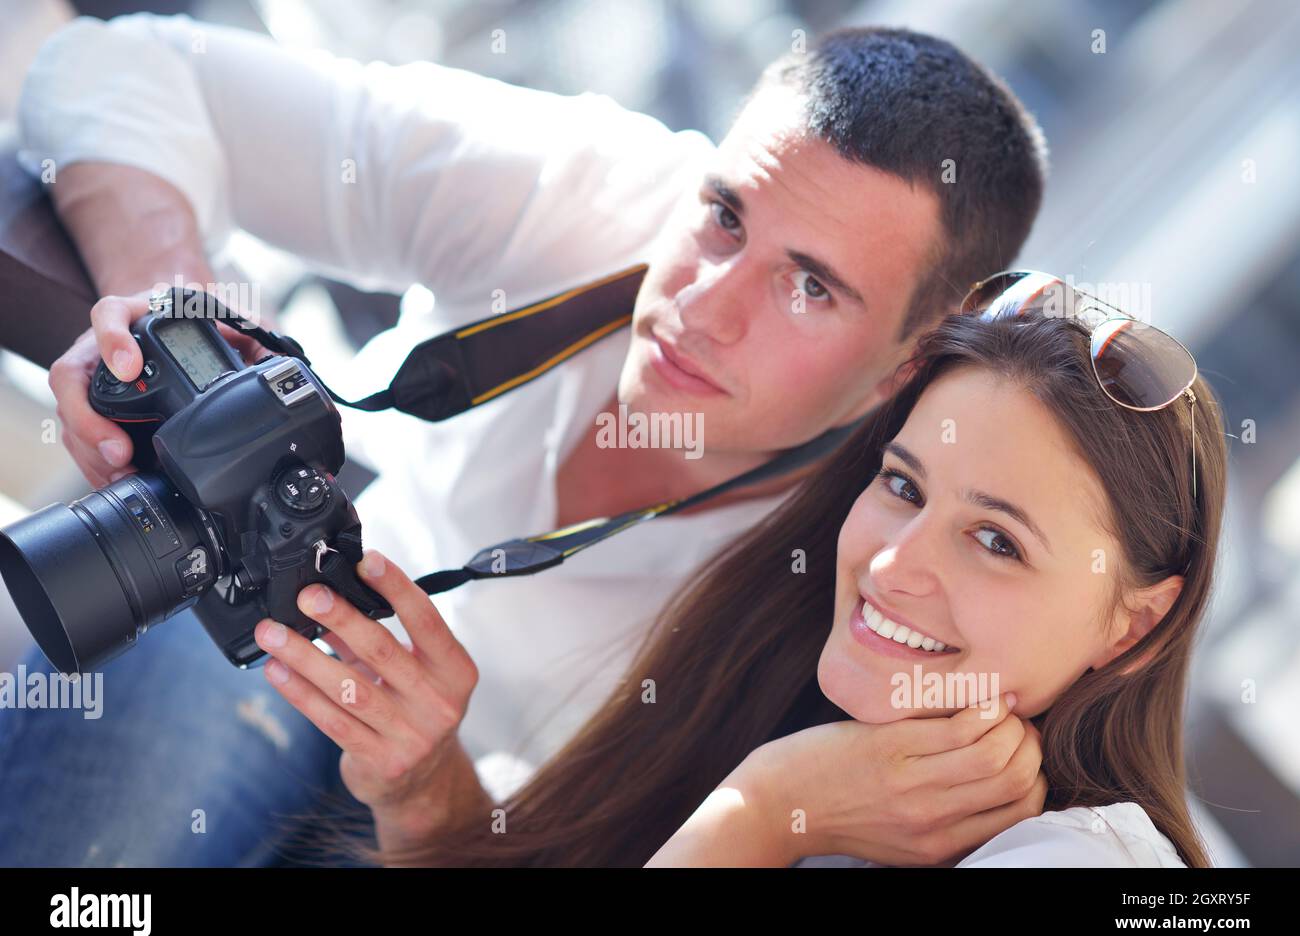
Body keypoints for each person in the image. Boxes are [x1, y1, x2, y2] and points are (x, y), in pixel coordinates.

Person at [0, 16, 1049, 866]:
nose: (703, 304)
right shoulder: (605, 194)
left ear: (906, 366)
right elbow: (117, 65)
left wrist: (429, 793)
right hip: (270, 640)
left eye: (809, 287)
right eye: (724, 217)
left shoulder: (875, 573)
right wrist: (176, 325)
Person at [301, 285, 1222, 867]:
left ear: (1132, 625)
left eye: (997, 541)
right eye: (903, 486)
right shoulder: (830, 728)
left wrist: (770, 810)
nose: (893, 563)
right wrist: (421, 789)